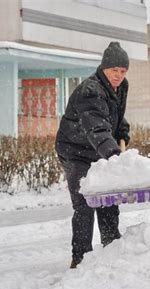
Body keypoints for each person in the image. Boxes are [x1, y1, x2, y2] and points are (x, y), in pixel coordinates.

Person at [55, 42, 131, 269]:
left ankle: (111, 249)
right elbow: (96, 126)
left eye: (122, 71)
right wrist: (114, 155)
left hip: (97, 151)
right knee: (85, 202)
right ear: (103, 68)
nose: (118, 75)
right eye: (114, 70)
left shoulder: (120, 86)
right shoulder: (90, 90)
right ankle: (80, 259)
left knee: (108, 200)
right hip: (75, 151)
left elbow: (112, 117)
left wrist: (123, 131)